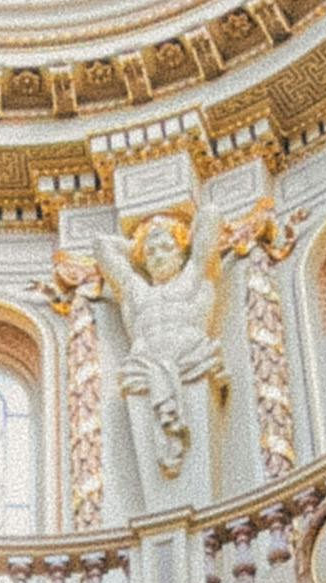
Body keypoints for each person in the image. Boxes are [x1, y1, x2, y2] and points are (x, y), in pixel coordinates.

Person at [93, 205, 227, 489]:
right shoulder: (135, 292)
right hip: (144, 371)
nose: (158, 255)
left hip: (194, 361)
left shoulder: (195, 277)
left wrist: (174, 233)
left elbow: (211, 215)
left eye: (166, 248)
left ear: (181, 253)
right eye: (150, 252)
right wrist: (139, 242)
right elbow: (101, 246)